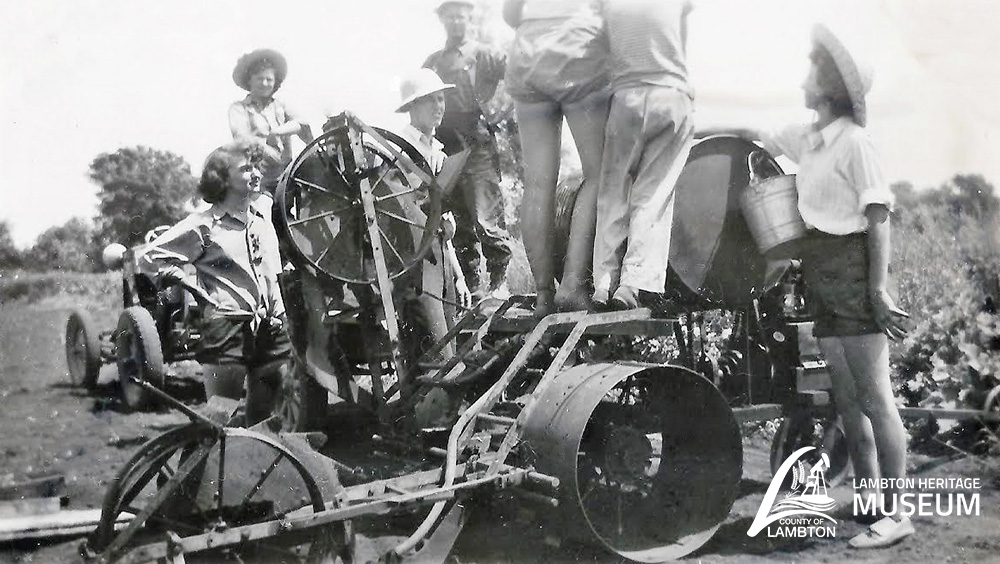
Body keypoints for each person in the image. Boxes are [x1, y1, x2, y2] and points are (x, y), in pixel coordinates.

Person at [753, 24, 913, 548]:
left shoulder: (855, 142)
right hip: (820, 267)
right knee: (846, 401)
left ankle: (897, 513)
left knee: (875, 397)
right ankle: (869, 502)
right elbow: (755, 131)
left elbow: (878, 216)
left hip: (852, 266)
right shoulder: (810, 139)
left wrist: (878, 289)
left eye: (813, 68)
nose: (804, 75)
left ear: (830, 87)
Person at [137, 142, 290, 426]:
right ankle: (202, 455)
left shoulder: (263, 214)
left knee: (265, 423)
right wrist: (189, 285)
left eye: (256, 167)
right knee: (219, 419)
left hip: (270, 328)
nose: (256, 174)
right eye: (246, 169)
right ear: (222, 179)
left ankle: (254, 457)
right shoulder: (204, 225)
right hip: (226, 329)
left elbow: (272, 271)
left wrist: (279, 312)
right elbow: (148, 258)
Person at [502, 0, 611, 316]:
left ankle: (543, 295)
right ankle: (572, 285)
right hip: (578, 46)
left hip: (528, 49)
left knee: (537, 182)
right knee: (599, 174)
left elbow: (510, 14)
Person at [592, 0, 696, 310]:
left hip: (627, 96)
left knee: (613, 194)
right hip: (672, 93)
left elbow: (599, 48)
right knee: (653, 195)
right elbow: (681, 44)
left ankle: (602, 283)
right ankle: (632, 283)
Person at [423, 1, 513, 301]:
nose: (455, 22)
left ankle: (499, 283)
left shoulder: (482, 53)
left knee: (486, 215)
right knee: (458, 220)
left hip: (477, 144)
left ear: (469, 18)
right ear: (442, 20)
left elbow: (517, 71)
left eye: (460, 17)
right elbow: (420, 94)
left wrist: (500, 111)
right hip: (446, 146)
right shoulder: (434, 61)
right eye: (450, 17)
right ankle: (472, 288)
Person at [393, 69, 474, 363]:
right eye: (431, 100)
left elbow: (442, 222)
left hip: (440, 256)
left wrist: (459, 276)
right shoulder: (397, 149)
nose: (439, 106)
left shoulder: (439, 152)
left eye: (441, 99)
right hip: (415, 259)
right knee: (437, 349)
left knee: (450, 338)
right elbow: (399, 212)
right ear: (412, 106)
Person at [229, 48, 313, 202]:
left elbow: (302, 123)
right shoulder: (239, 108)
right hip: (256, 179)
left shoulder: (280, 105)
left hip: (285, 179)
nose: (264, 83)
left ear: (275, 82)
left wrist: (277, 132)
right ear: (249, 80)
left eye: (269, 79)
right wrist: (268, 150)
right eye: (259, 78)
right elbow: (242, 138)